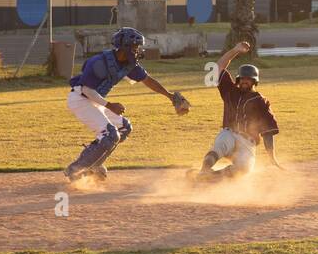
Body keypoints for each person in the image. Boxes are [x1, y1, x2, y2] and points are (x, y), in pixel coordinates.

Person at [64, 27, 189, 181]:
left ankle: (94, 165)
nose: (137, 50)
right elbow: (87, 90)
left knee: (124, 128)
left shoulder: (129, 64)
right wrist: (109, 105)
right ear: (124, 47)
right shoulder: (99, 63)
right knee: (110, 134)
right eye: (135, 47)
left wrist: (170, 96)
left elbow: (148, 80)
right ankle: (75, 170)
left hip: (95, 100)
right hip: (80, 99)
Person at [194, 41, 281, 182]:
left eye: (249, 79)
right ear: (238, 80)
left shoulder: (261, 101)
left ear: (254, 81)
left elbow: (267, 131)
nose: (245, 81)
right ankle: (203, 171)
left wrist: (272, 156)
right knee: (220, 145)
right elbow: (219, 67)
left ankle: (210, 177)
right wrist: (235, 50)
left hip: (248, 142)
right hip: (230, 134)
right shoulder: (229, 90)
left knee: (244, 168)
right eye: (242, 79)